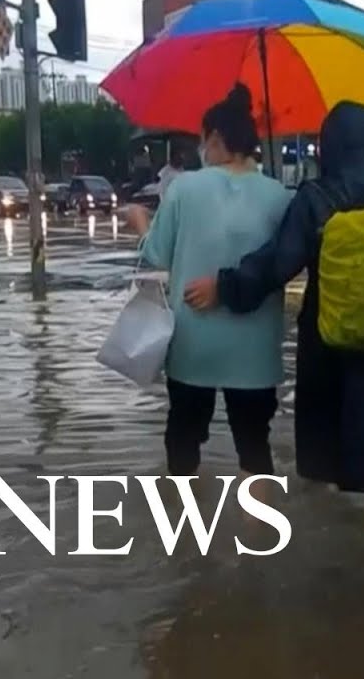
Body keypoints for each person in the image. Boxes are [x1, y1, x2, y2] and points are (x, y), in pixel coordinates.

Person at [183, 101, 364, 532]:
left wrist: (224, 287)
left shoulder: (316, 199)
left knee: (325, 470)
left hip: (331, 352)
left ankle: (323, 573)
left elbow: (275, 266)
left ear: (327, 148)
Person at [123, 83, 292, 482]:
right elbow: (285, 265)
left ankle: (184, 536)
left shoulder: (185, 189)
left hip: (193, 347)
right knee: (255, 449)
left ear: (215, 139)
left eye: (204, 143)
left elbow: (156, 255)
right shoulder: (280, 196)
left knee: (183, 443)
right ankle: (259, 536)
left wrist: (141, 223)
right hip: (256, 355)